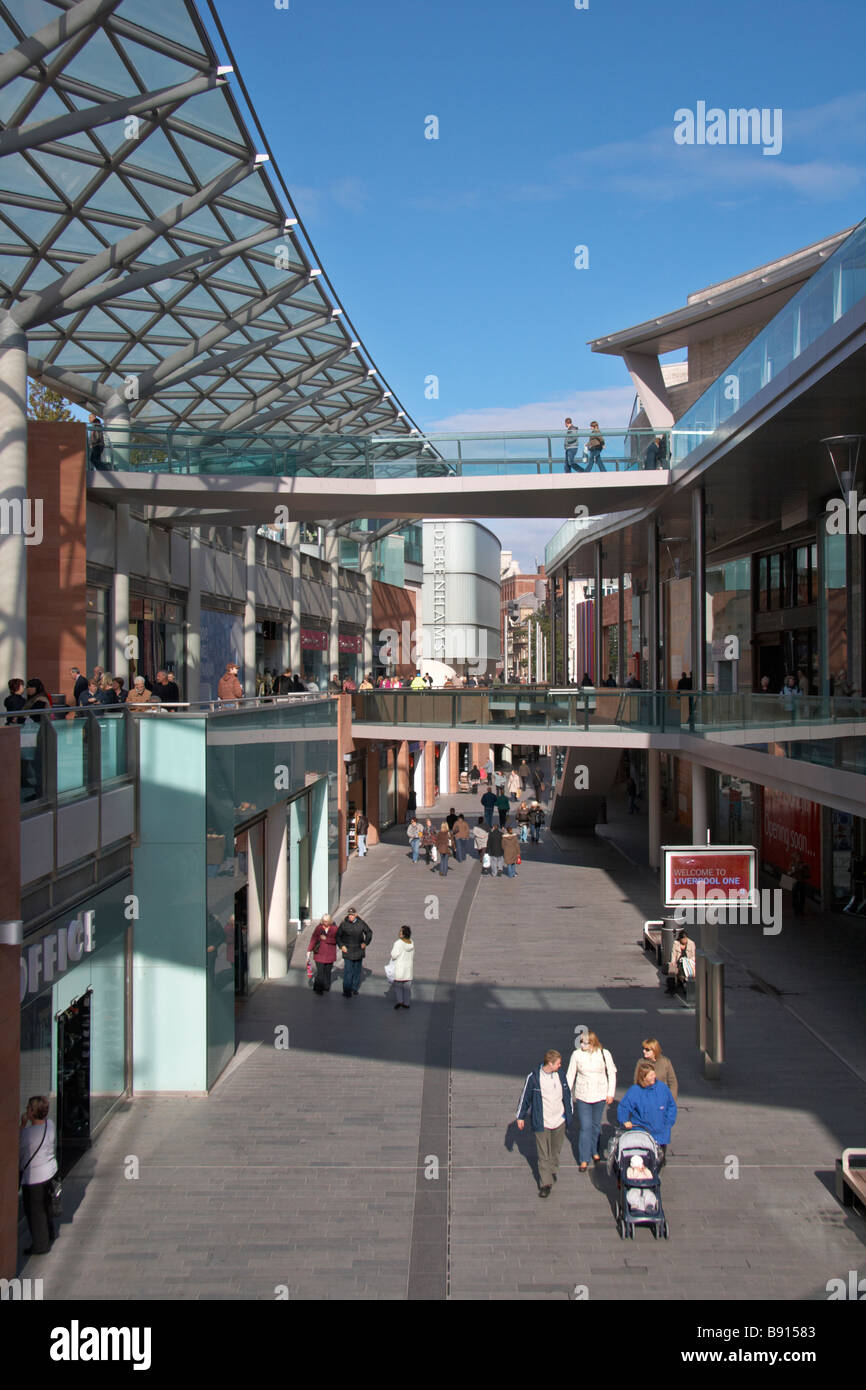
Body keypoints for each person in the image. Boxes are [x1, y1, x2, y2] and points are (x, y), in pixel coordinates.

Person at [515, 1049, 573, 1198]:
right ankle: (545, 1183)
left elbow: (567, 1095)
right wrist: (520, 1116)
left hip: (559, 1120)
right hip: (542, 1121)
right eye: (558, 1063)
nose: (560, 1065)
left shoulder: (560, 1075)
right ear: (550, 1064)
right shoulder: (534, 1078)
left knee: (555, 1150)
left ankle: (552, 1170)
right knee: (543, 1154)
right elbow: (525, 1097)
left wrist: (569, 1114)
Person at [566, 1031, 617, 1171]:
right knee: (585, 1127)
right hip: (583, 1095)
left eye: (586, 1043)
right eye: (581, 1042)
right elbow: (570, 1075)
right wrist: (566, 1094)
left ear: (593, 1043)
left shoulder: (604, 1053)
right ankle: (584, 1158)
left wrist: (610, 1093)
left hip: (600, 1095)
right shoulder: (576, 1055)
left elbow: (611, 1073)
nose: (582, 1045)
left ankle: (594, 1150)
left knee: (595, 1126)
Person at [19, 1095, 58, 1254]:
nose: (26, 1109)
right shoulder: (50, 1125)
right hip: (50, 1172)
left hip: (34, 1177)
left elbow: (16, 1145)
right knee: (46, 1205)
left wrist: (22, 1124)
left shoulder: (27, 1134)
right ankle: (49, 1233)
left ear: (32, 1112)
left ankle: (41, 1245)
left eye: (28, 1108)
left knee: (35, 1212)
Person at [617, 1060, 677, 1158]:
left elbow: (671, 1105)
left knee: (659, 1160)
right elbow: (624, 1106)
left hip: (661, 1132)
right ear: (643, 1077)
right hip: (642, 1133)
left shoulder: (662, 1088)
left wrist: (668, 1122)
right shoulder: (635, 1090)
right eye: (650, 1075)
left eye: (654, 1074)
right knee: (643, 1160)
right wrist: (624, 1120)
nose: (654, 1077)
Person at [336, 907, 372, 998]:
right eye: (349, 915)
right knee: (348, 971)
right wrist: (341, 946)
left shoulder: (361, 923)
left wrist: (365, 942)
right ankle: (346, 990)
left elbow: (369, 932)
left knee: (357, 971)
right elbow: (338, 936)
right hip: (347, 950)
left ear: (355, 915)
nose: (350, 916)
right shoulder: (344, 924)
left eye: (352, 915)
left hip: (358, 950)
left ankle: (354, 988)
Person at [307, 913, 338, 995]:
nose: (325, 923)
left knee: (328, 972)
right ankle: (318, 989)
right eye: (324, 921)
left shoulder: (335, 929)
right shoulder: (319, 928)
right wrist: (309, 950)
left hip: (330, 955)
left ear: (330, 921)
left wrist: (326, 939)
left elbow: (336, 940)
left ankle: (326, 987)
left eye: (327, 921)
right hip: (319, 954)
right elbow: (313, 939)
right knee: (320, 972)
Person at [390, 926, 415, 1010]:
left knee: (398, 987)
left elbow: (394, 955)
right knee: (407, 988)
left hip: (400, 969)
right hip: (408, 969)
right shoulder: (411, 943)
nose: (399, 933)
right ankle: (407, 1003)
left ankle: (400, 1001)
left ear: (403, 934)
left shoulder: (398, 943)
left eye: (400, 931)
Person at [666, 930, 696, 994]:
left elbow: (693, 956)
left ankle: (683, 984)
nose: (684, 940)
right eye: (683, 939)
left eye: (685, 939)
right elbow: (673, 954)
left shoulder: (691, 943)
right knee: (672, 969)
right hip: (678, 961)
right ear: (680, 939)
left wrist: (688, 961)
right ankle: (671, 988)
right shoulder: (676, 943)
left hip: (688, 962)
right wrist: (673, 962)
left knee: (683, 970)